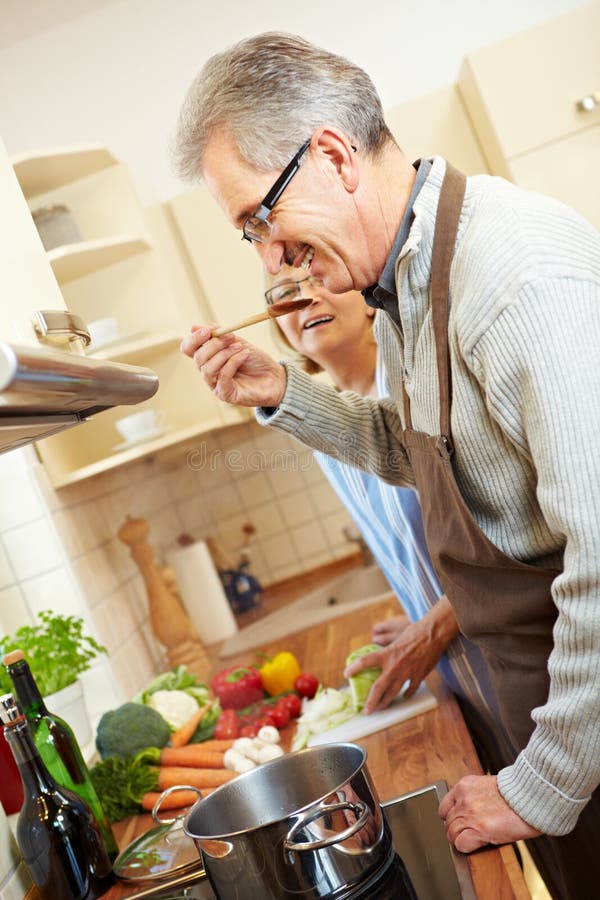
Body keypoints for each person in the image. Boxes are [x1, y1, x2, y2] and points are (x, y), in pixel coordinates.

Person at [174, 32, 600, 898]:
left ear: (330, 156)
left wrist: (542, 783)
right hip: (551, 713)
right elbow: (420, 457)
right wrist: (282, 391)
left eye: (261, 220)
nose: (268, 259)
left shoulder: (510, 275)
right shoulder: (410, 284)